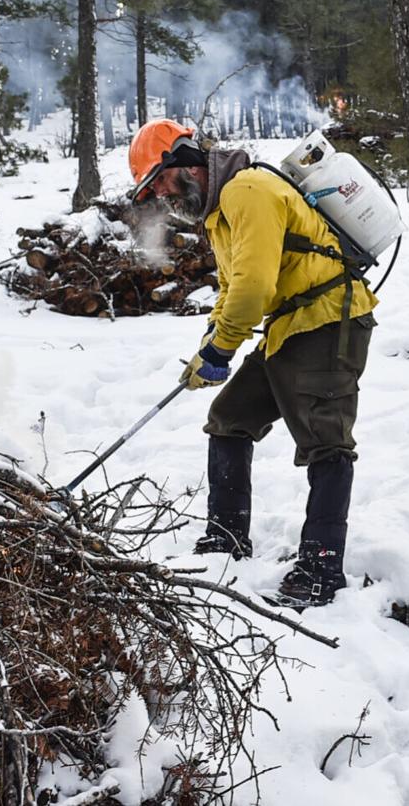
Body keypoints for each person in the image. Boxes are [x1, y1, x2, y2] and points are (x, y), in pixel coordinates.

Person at [127, 118, 378, 608]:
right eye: (152, 189)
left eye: (159, 179)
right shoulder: (221, 213)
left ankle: (321, 568)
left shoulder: (248, 192)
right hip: (291, 324)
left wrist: (223, 348)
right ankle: (226, 538)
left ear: (185, 162)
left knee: (325, 439)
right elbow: (231, 290)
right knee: (230, 419)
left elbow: (253, 289)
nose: (161, 194)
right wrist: (208, 347)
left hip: (328, 320)